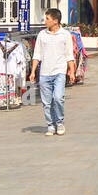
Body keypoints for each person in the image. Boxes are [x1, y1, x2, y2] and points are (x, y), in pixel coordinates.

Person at [30, 8, 76, 136]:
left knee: (58, 98)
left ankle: (60, 122)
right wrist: (33, 71)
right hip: (44, 73)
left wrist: (71, 72)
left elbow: (69, 55)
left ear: (55, 21)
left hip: (59, 71)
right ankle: (50, 125)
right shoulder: (42, 35)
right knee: (46, 102)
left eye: (47, 19)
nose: (45, 21)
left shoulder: (65, 35)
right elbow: (37, 54)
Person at [0, 36, 28, 109]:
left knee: (1, 87)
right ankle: (9, 101)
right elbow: (20, 60)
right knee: (11, 86)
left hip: (0, 69)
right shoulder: (17, 46)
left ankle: (2, 101)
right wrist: (19, 70)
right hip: (11, 70)